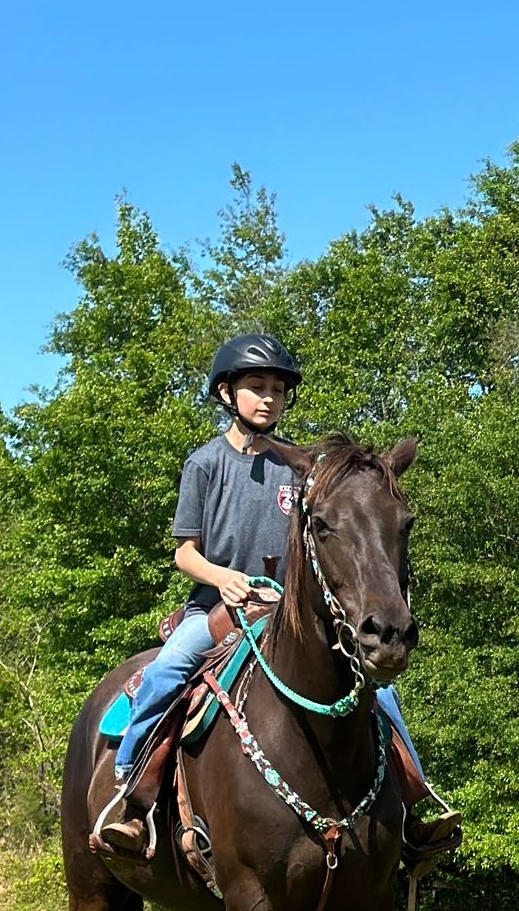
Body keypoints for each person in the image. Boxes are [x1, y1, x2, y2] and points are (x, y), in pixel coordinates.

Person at [93, 332, 460, 865]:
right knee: (168, 670)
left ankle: (413, 803)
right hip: (219, 605)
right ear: (226, 393)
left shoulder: (308, 468)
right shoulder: (206, 463)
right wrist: (222, 577)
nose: (268, 398)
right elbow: (184, 553)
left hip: (289, 609)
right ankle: (132, 798)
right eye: (255, 387)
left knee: (380, 692)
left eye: (277, 390)